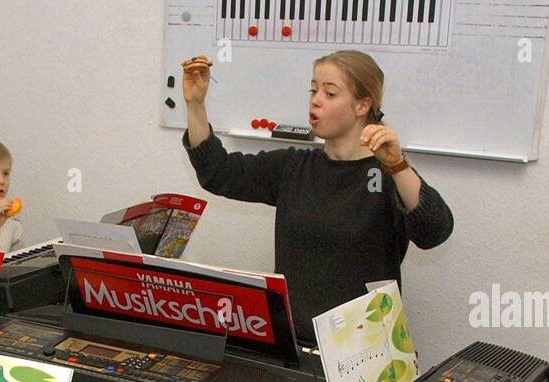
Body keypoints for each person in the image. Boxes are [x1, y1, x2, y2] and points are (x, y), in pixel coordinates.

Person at [181, 49, 452, 341]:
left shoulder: (386, 174)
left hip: (365, 349)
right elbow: (218, 173)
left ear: (362, 105)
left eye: (330, 93)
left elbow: (434, 232)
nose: (315, 100)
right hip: (296, 344)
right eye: (313, 90)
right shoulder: (293, 166)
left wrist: (397, 166)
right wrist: (195, 105)